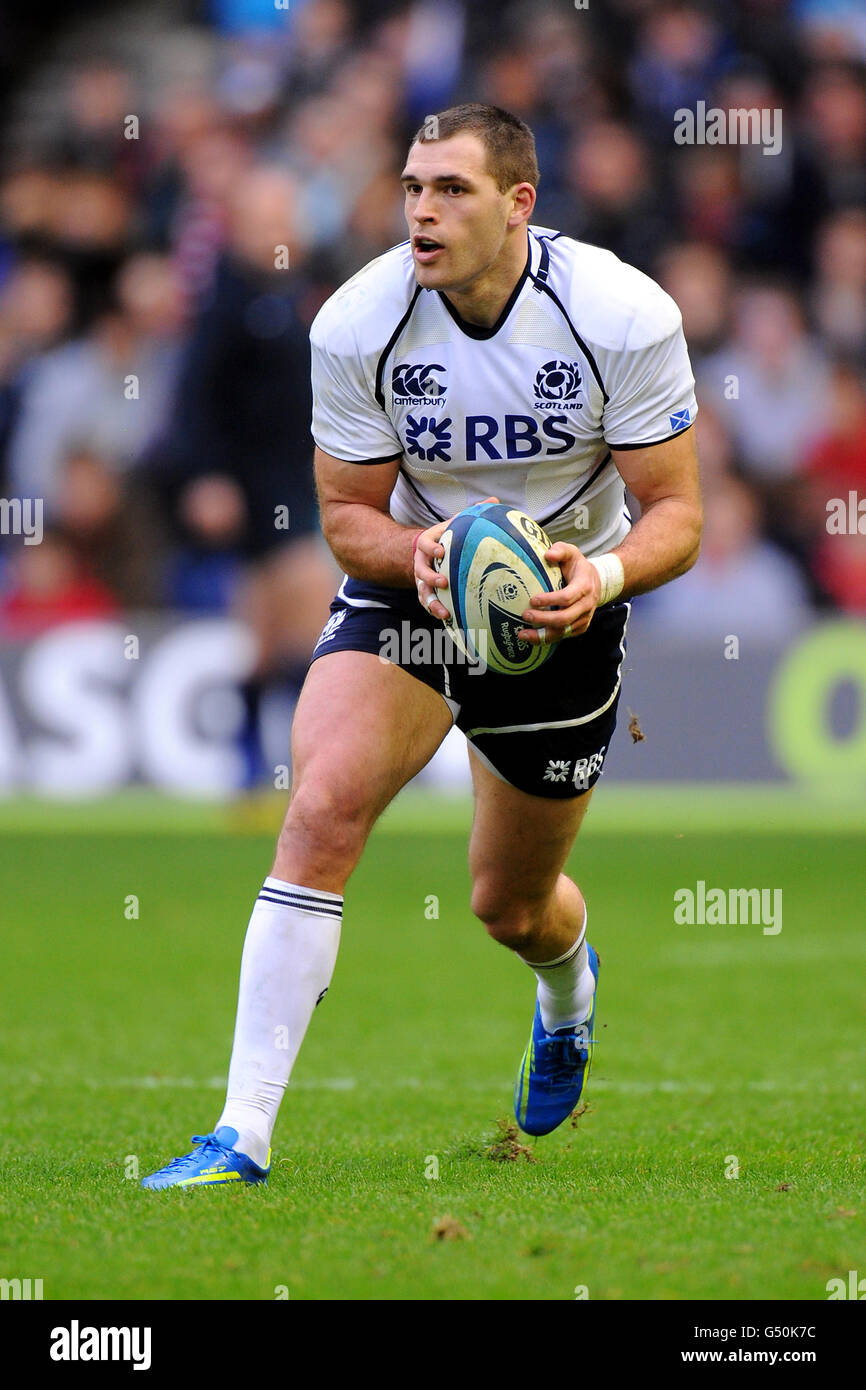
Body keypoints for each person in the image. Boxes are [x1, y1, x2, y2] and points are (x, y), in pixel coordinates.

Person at [141, 103, 702, 1189]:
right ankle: (240, 1134)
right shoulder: (358, 322)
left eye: (451, 189)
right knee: (319, 811)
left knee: (509, 904)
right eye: (410, 187)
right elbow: (345, 516)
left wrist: (597, 578)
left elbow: (677, 513)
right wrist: (420, 551)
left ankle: (567, 992)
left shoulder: (620, 313)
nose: (421, 212)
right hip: (415, 588)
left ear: (518, 204)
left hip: (563, 611)